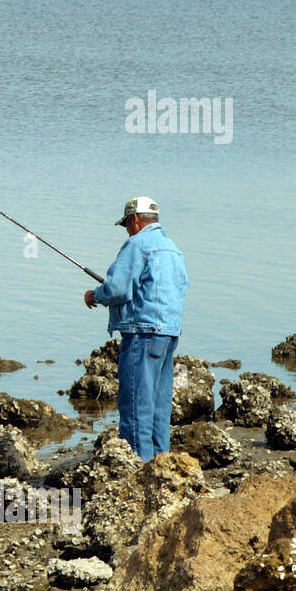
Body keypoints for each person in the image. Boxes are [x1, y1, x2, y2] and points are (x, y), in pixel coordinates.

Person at [82, 197, 189, 461]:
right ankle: (160, 463)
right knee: (158, 407)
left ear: (135, 219)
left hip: (142, 333)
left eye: (127, 224)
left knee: (134, 405)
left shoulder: (138, 244)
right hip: (168, 333)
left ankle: (139, 467)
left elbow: (116, 289)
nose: (127, 230)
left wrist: (94, 295)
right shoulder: (173, 248)